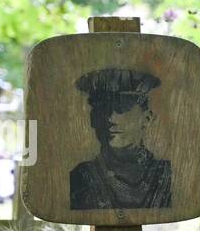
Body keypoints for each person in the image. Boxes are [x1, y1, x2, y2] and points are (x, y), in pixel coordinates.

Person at [69, 68, 172, 211]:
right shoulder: (81, 177)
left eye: (122, 108)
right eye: (103, 109)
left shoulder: (166, 176)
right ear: (93, 120)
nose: (110, 118)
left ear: (147, 119)